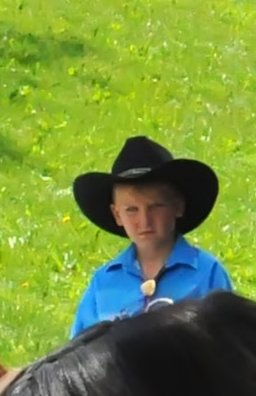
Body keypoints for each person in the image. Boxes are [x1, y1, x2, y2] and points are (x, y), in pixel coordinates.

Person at [69, 136, 233, 334]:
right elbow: (81, 354)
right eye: (131, 210)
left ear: (178, 206)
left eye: (155, 207)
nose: (144, 221)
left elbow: (229, 348)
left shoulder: (207, 273)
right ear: (116, 214)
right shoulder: (104, 282)